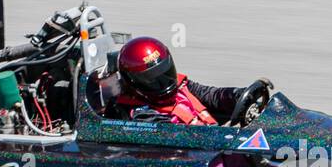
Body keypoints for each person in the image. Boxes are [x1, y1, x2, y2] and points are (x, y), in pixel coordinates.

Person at [93, 37, 251, 125]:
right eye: (153, 79)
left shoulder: (180, 87)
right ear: (133, 83)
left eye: (165, 72)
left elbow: (212, 95)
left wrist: (239, 96)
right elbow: (173, 133)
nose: (165, 82)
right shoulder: (142, 115)